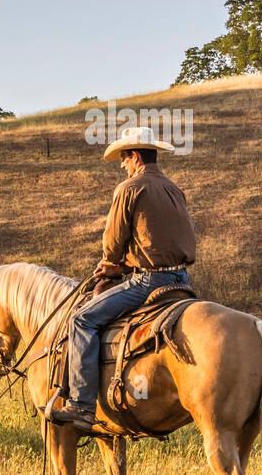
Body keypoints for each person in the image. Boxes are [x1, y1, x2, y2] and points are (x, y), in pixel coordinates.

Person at [50, 127, 197, 432]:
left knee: (81, 320)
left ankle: (81, 405)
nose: (121, 165)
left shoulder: (129, 188)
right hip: (181, 279)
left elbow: (113, 243)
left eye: (123, 159)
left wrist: (110, 266)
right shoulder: (174, 189)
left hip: (149, 282)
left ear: (134, 156)